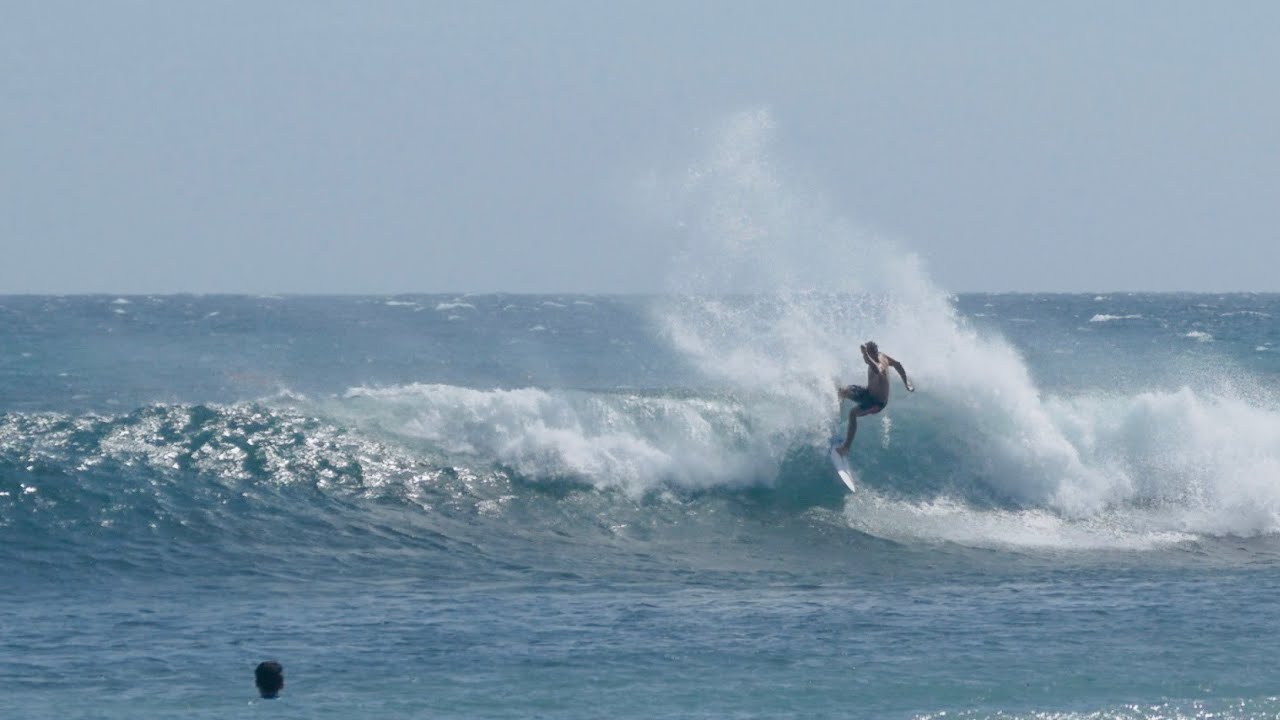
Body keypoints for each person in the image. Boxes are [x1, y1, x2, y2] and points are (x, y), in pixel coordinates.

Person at [835, 341, 913, 456]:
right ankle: (838, 417)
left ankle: (846, 448)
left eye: (868, 355)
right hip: (868, 392)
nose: (866, 358)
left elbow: (876, 367)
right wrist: (906, 382)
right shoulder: (882, 355)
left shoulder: (878, 365)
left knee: (853, 413)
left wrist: (865, 355)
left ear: (872, 354)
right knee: (843, 391)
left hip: (877, 403)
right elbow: (898, 364)